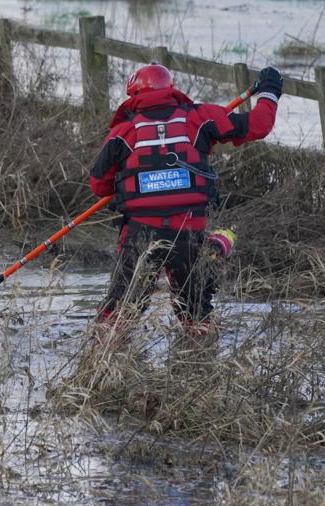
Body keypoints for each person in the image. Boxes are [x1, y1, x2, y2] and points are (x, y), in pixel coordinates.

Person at [89, 63, 282, 336]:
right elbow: (259, 125)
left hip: (140, 234)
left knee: (116, 318)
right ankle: (201, 366)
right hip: (188, 231)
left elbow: (99, 185)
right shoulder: (200, 118)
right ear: (171, 89)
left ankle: (101, 369)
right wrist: (270, 90)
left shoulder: (123, 133)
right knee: (196, 317)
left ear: (132, 96)